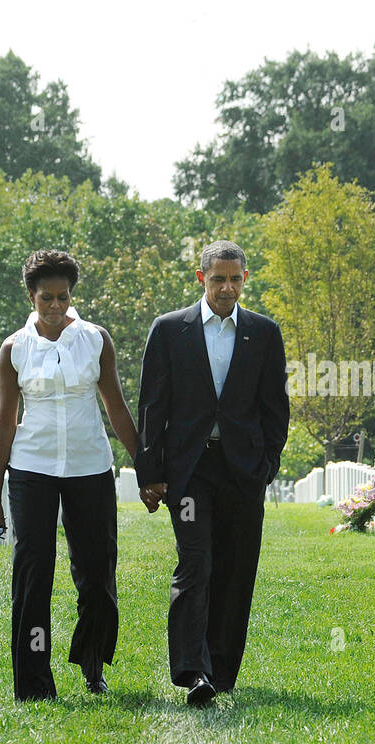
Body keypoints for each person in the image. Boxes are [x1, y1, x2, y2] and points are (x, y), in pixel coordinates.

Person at [0, 249, 151, 700]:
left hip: (89, 466)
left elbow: (115, 408)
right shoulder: (13, 349)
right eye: (46, 298)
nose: (55, 306)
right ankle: (34, 684)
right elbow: (4, 422)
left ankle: (93, 663)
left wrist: (146, 468)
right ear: (31, 297)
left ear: (72, 295)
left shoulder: (96, 340)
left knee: (97, 574)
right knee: (33, 573)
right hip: (31, 469)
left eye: (63, 297)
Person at [134, 240, 289, 706]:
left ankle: (220, 670)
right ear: (201, 278)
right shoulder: (169, 330)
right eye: (218, 278)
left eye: (235, 279)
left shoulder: (264, 333)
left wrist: (267, 465)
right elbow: (151, 406)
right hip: (190, 470)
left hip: (242, 469)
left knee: (236, 569)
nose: (226, 287)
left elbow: (275, 408)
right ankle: (191, 670)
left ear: (245, 280)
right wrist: (151, 471)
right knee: (195, 563)